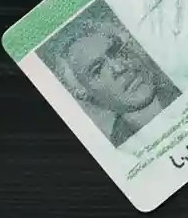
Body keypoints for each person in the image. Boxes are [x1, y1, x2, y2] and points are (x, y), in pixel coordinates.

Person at [44, 14, 177, 146]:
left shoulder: (184, 80)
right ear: (82, 92)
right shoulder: (122, 156)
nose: (119, 67)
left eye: (115, 51)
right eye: (97, 69)